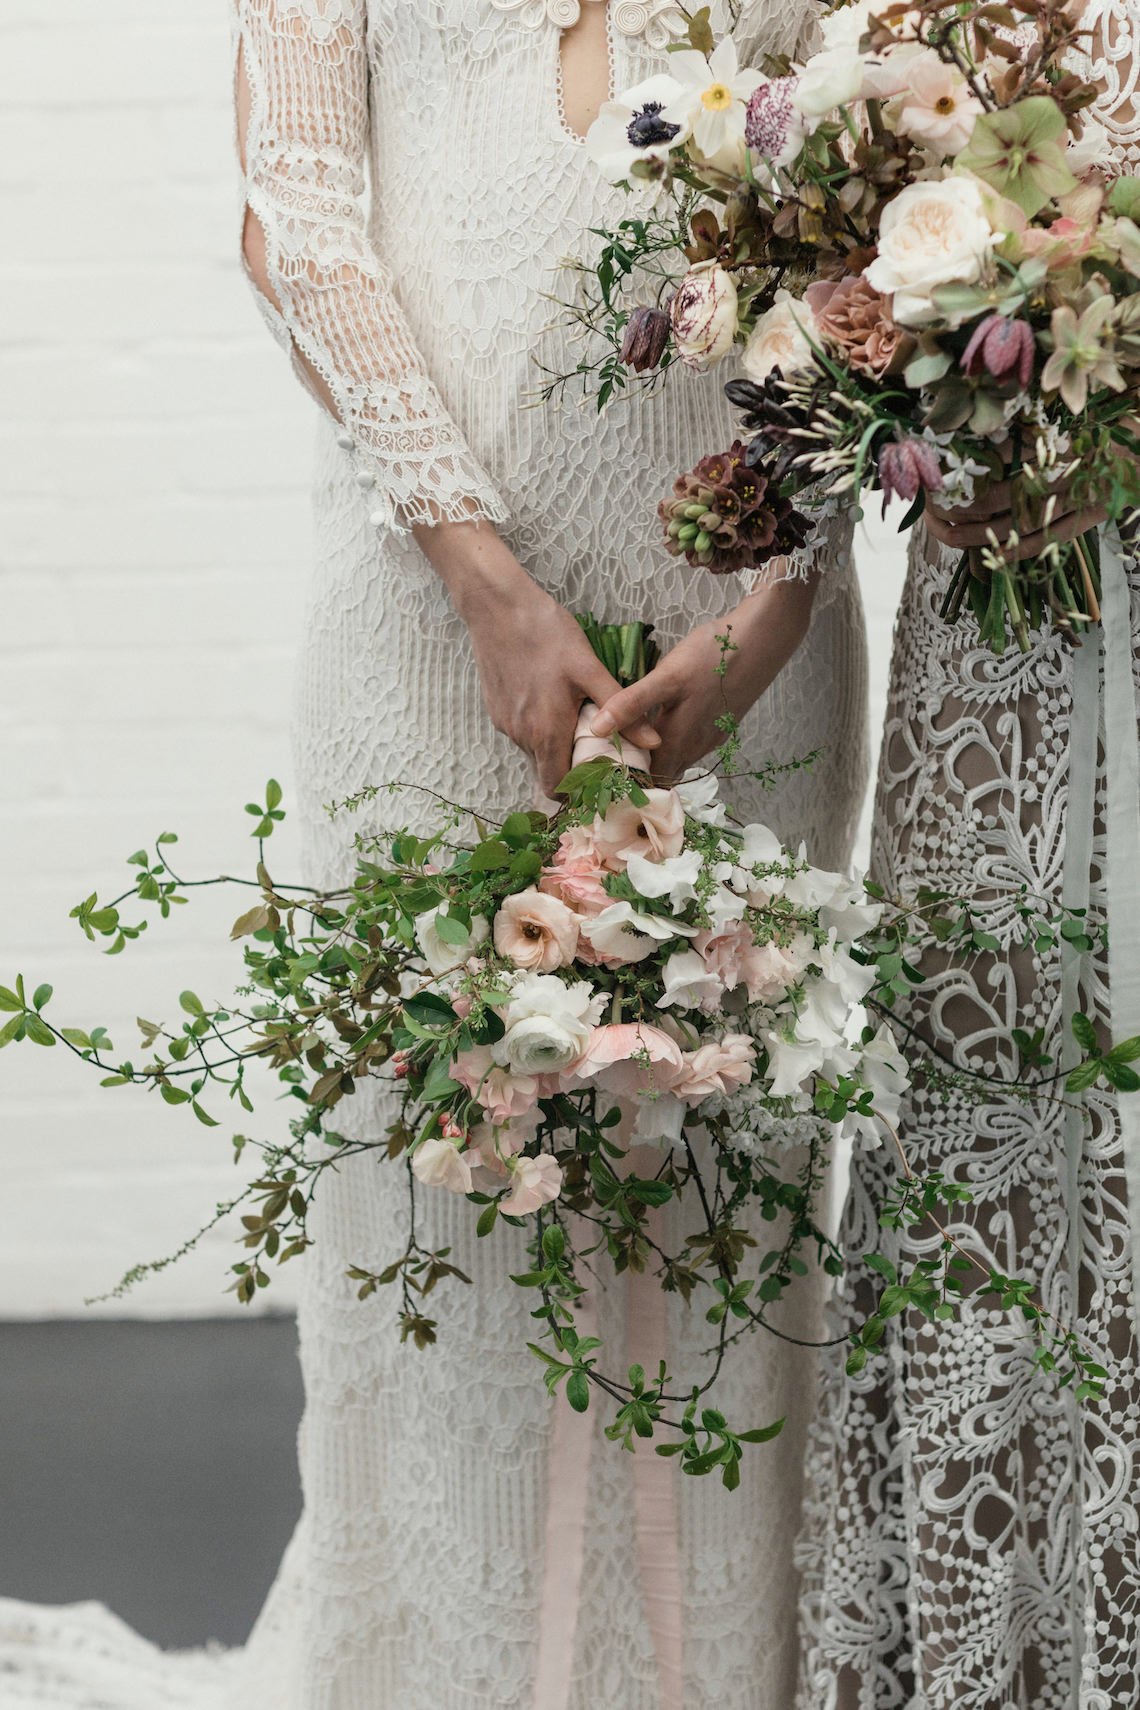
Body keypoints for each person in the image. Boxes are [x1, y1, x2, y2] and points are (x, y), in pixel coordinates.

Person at [225, 1, 866, 1706]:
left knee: (727, 1176)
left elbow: (882, 261)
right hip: (433, 641)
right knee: (440, 1171)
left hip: (744, 655)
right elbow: (292, 220)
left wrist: (781, 602)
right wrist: (483, 579)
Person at [794, 9, 1140, 1703]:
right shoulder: (950, 32)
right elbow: (835, 325)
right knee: (987, 1073)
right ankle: (982, 1642)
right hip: (999, 637)